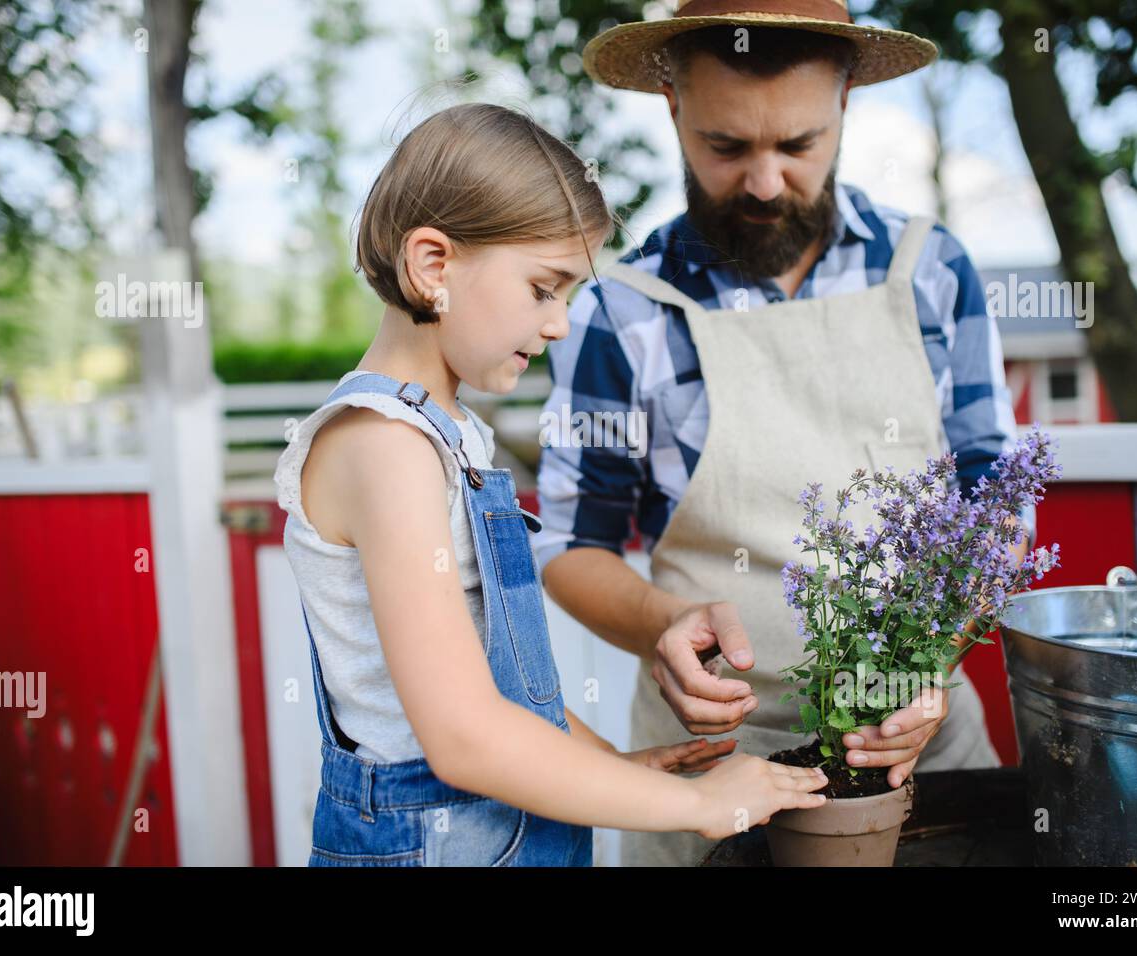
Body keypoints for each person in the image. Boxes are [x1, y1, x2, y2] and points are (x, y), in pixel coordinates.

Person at [535, 3, 1033, 866]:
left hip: (921, 771)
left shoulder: (933, 272)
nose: (764, 183)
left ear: (846, 104)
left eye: (798, 145)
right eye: (727, 147)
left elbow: (996, 509)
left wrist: (923, 669)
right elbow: (572, 547)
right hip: (707, 779)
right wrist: (664, 622)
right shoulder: (620, 313)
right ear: (672, 109)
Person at [272, 102, 829, 867]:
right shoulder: (384, 446)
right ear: (435, 265)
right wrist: (697, 803)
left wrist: (610, 765)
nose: (562, 323)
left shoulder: (443, 431)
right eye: (544, 288)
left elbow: (492, 684)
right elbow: (464, 738)